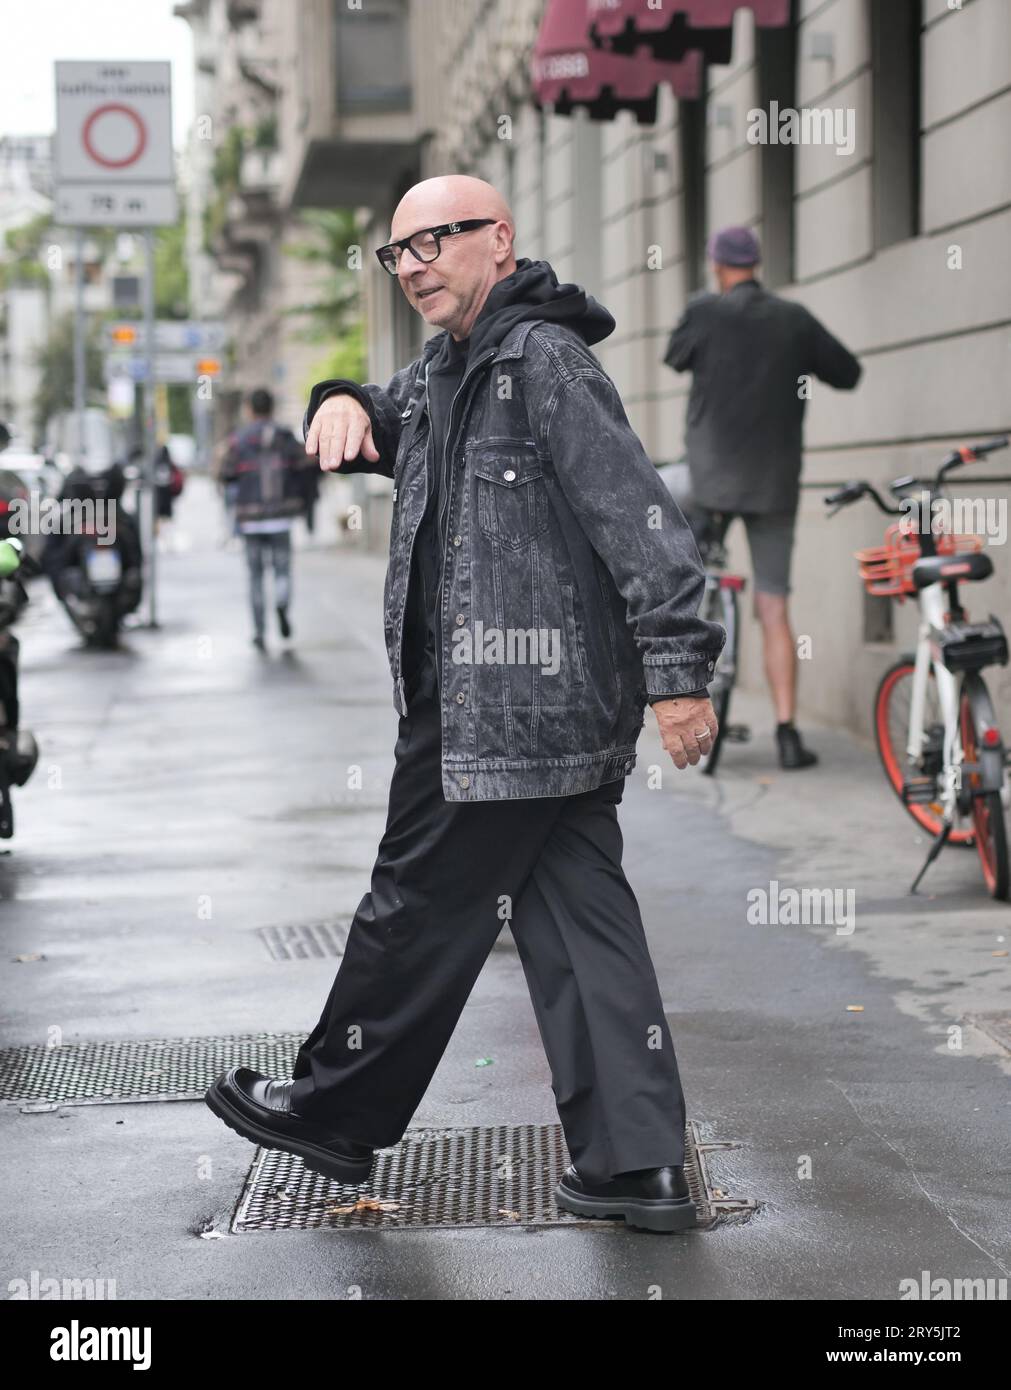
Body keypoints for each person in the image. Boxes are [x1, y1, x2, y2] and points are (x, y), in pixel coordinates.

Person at [205, 175, 726, 1234]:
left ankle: (332, 1107)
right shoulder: (452, 368)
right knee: (583, 926)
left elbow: (642, 521)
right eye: (399, 252)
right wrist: (336, 396)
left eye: (437, 240)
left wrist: (679, 674)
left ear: (500, 238)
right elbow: (382, 414)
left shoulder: (541, 361)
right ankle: (638, 1165)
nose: (415, 265)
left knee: (413, 907)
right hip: (533, 715)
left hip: (503, 712)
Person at [663, 225, 862, 769]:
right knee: (773, 605)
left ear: (717, 265)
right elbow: (848, 373)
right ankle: (788, 733)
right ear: (759, 264)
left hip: (709, 480)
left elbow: (674, 358)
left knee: (682, 567)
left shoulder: (705, 312)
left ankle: (680, 691)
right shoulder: (793, 319)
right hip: (774, 482)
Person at [220, 388, 308, 650]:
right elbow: (304, 464)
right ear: (272, 408)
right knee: (282, 569)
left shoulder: (240, 439)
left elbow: (226, 473)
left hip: (250, 519)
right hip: (280, 517)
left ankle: (259, 631)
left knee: (255, 576)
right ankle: (281, 602)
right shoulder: (283, 436)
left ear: (249, 409)